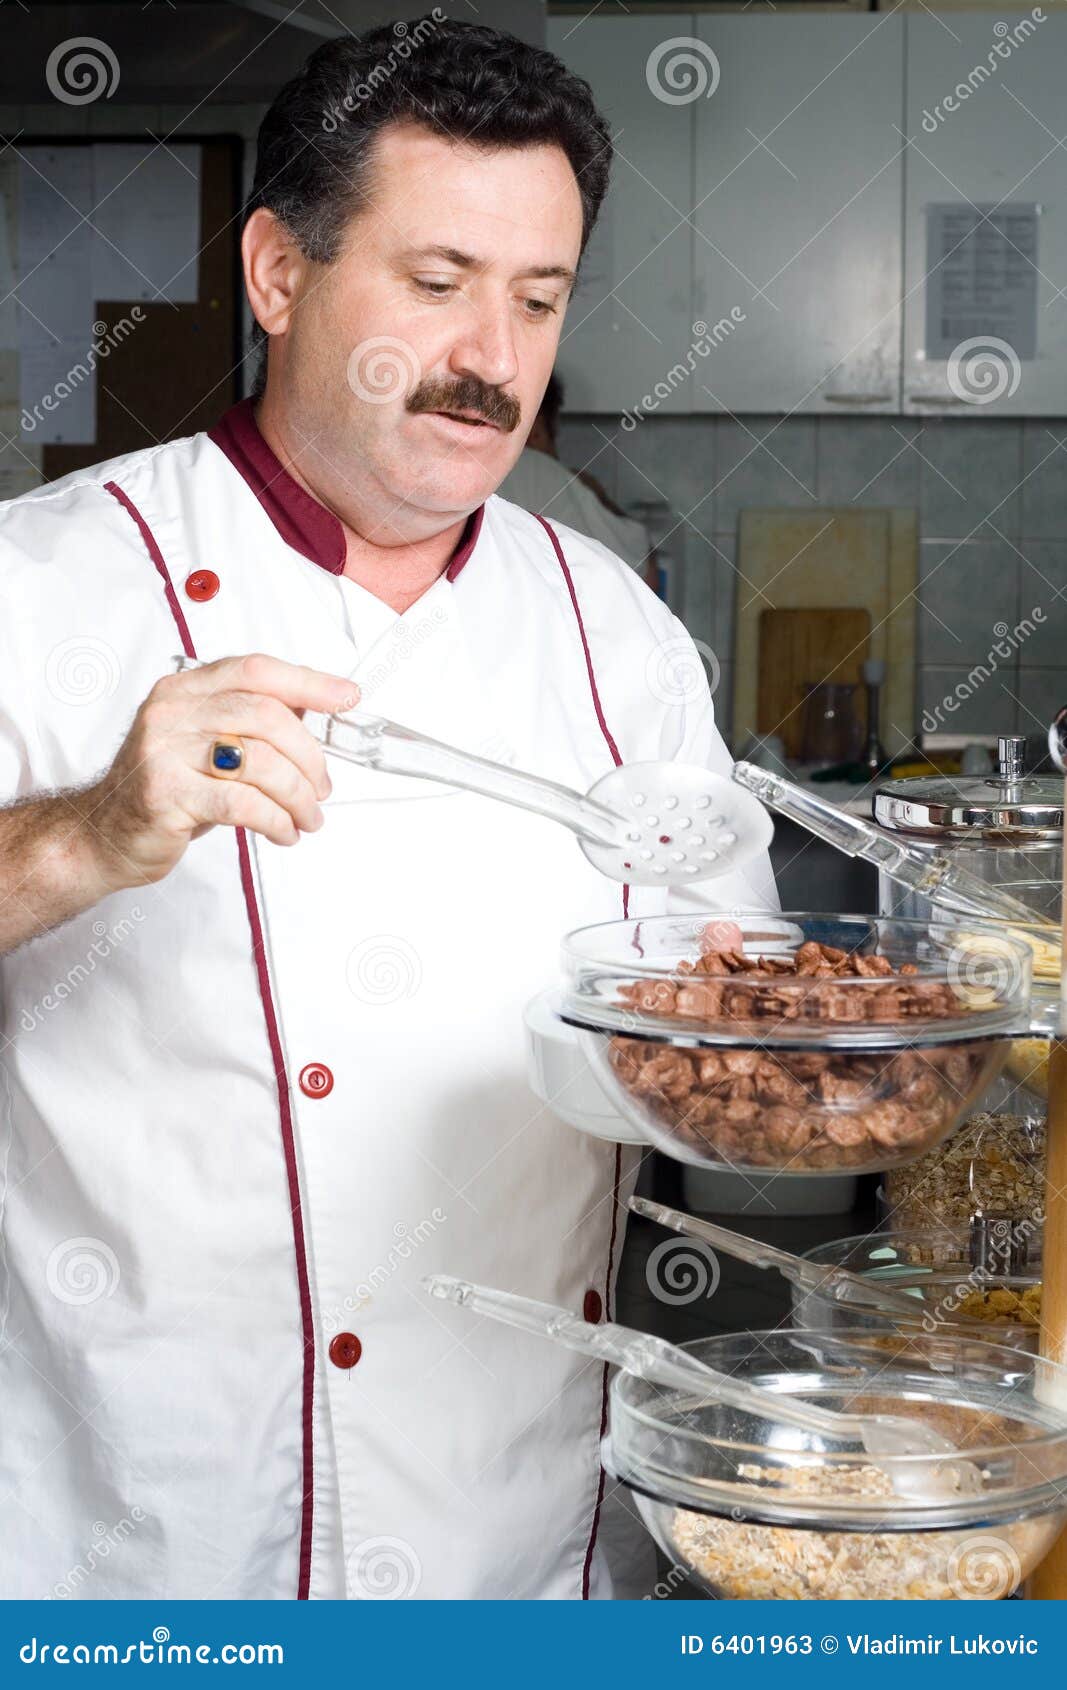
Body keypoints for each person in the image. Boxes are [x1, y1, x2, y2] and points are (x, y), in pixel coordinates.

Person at [0, 17, 774, 1600]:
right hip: (131, 1520)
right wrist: (84, 837)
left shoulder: (608, 628)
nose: (492, 354)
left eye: (537, 298)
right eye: (434, 285)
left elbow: (734, 1025)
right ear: (279, 274)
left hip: (509, 1521)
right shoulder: (40, 583)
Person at [498, 373, 658, 586]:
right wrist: (599, 498)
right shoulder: (544, 475)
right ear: (536, 429)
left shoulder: (467, 475)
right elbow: (645, 576)